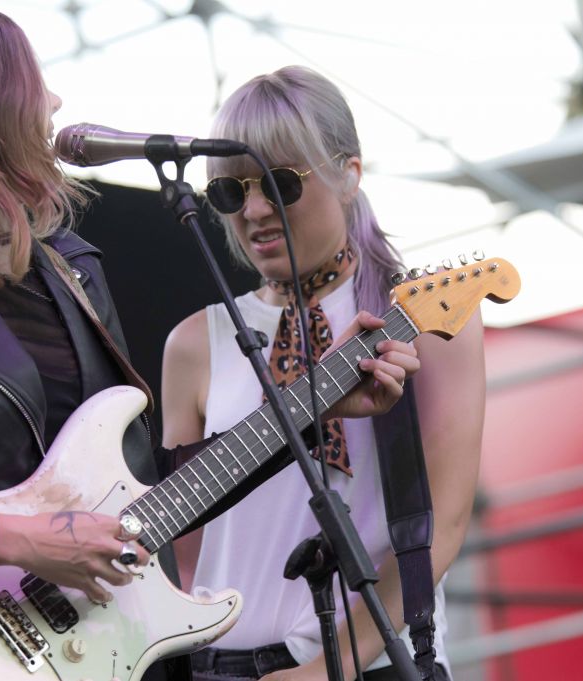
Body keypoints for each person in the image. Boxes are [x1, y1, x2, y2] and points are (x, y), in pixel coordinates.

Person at [0, 8, 418, 679]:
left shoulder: (68, 268)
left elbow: (145, 489)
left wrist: (317, 405)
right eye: (33, 85)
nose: (53, 102)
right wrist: (27, 541)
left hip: (109, 652)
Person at [161, 66, 486, 681]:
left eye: (280, 184)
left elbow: (444, 523)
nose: (254, 210)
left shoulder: (424, 313)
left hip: (373, 663)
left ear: (349, 173)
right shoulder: (193, 344)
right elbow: (184, 555)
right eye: (231, 193)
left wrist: (322, 671)